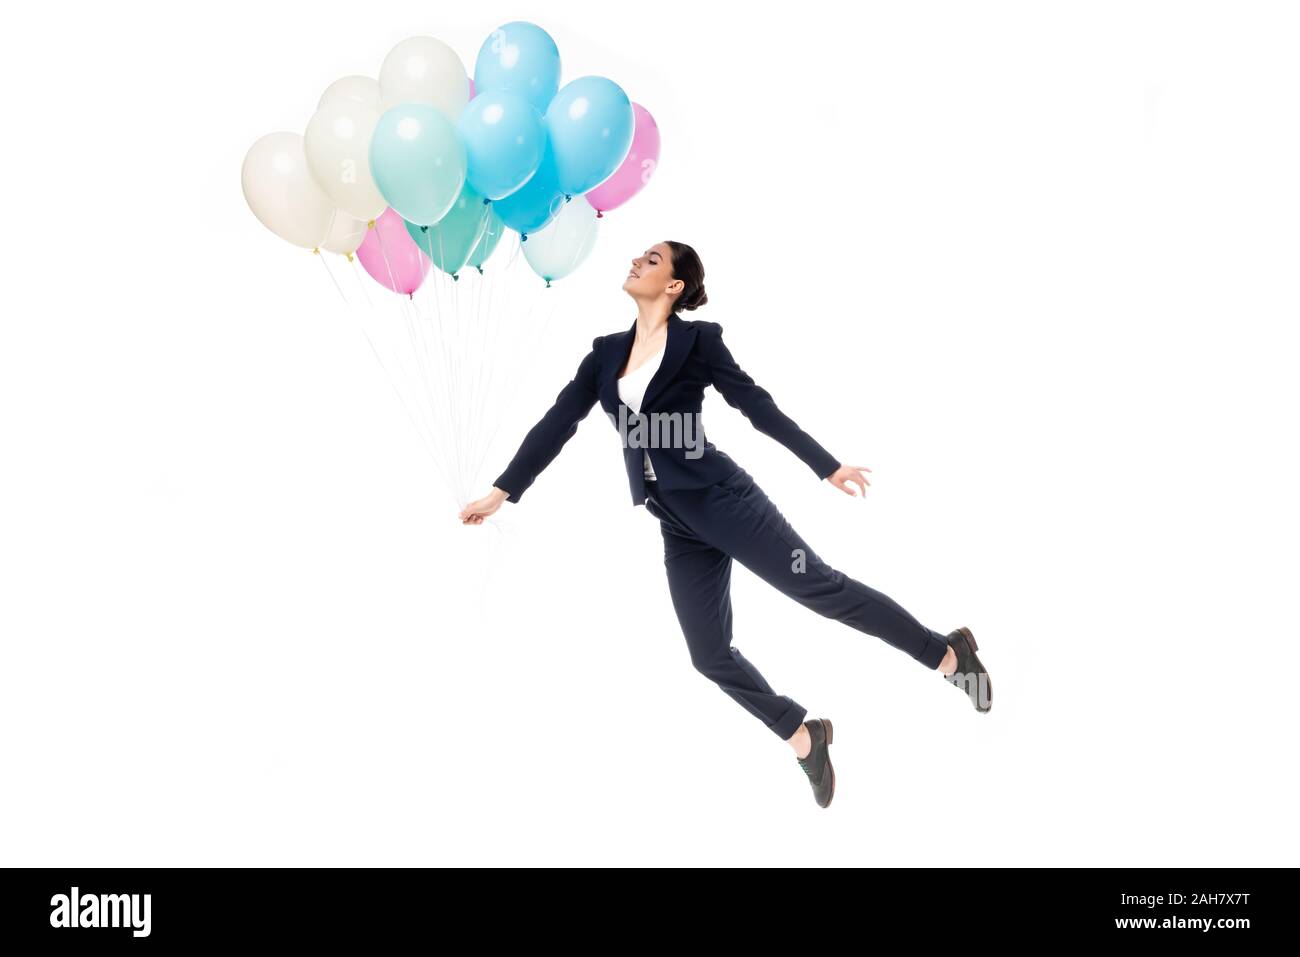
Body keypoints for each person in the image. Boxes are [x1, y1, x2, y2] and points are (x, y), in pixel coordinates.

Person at [458, 240, 992, 808]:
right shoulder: (604, 355)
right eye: (640, 255)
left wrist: (824, 464)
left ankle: (948, 655)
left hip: (725, 501)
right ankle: (804, 738)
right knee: (709, 654)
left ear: (674, 286)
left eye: (653, 259)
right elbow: (555, 423)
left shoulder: (698, 341)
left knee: (821, 589)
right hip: (676, 520)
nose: (637, 261)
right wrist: (503, 491)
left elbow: (755, 406)